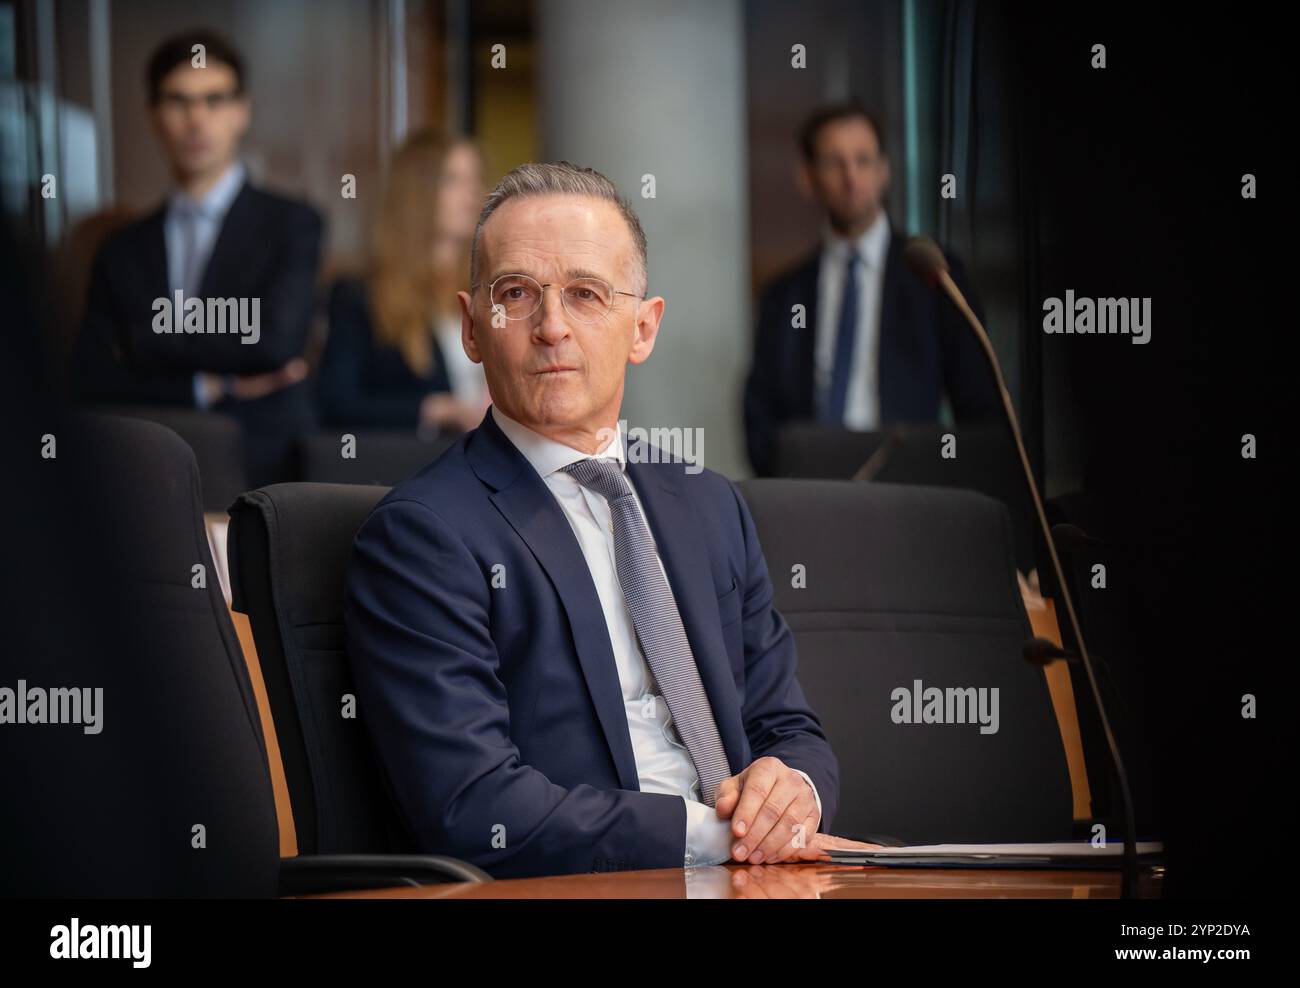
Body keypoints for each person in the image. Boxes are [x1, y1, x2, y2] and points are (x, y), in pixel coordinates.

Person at [344, 162, 880, 879]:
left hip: (768, 875)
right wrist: (717, 839)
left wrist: (794, 791)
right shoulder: (422, 536)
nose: (552, 327)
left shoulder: (711, 503)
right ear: (473, 329)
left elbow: (786, 727)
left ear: (643, 327)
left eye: (586, 294)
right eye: (516, 295)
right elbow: (474, 806)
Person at [73, 28, 323, 488]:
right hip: (142, 467)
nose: (196, 120)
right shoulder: (119, 248)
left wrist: (144, 338)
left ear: (242, 111)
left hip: (263, 468)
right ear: (153, 114)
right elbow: (91, 380)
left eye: (215, 100)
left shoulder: (294, 224)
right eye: (178, 101)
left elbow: (275, 342)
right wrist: (214, 384)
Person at [743, 102, 1000, 476]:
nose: (851, 177)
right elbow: (759, 413)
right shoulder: (785, 295)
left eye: (863, 160)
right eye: (834, 162)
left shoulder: (933, 272)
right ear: (808, 177)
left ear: (884, 171)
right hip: (811, 489)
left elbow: (980, 407)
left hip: (912, 486)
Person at [319, 131, 489, 435]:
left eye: (475, 179)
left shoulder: (492, 287)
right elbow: (337, 403)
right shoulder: (360, 296)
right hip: (418, 466)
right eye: (452, 180)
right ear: (415, 192)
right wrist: (435, 409)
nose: (472, 194)